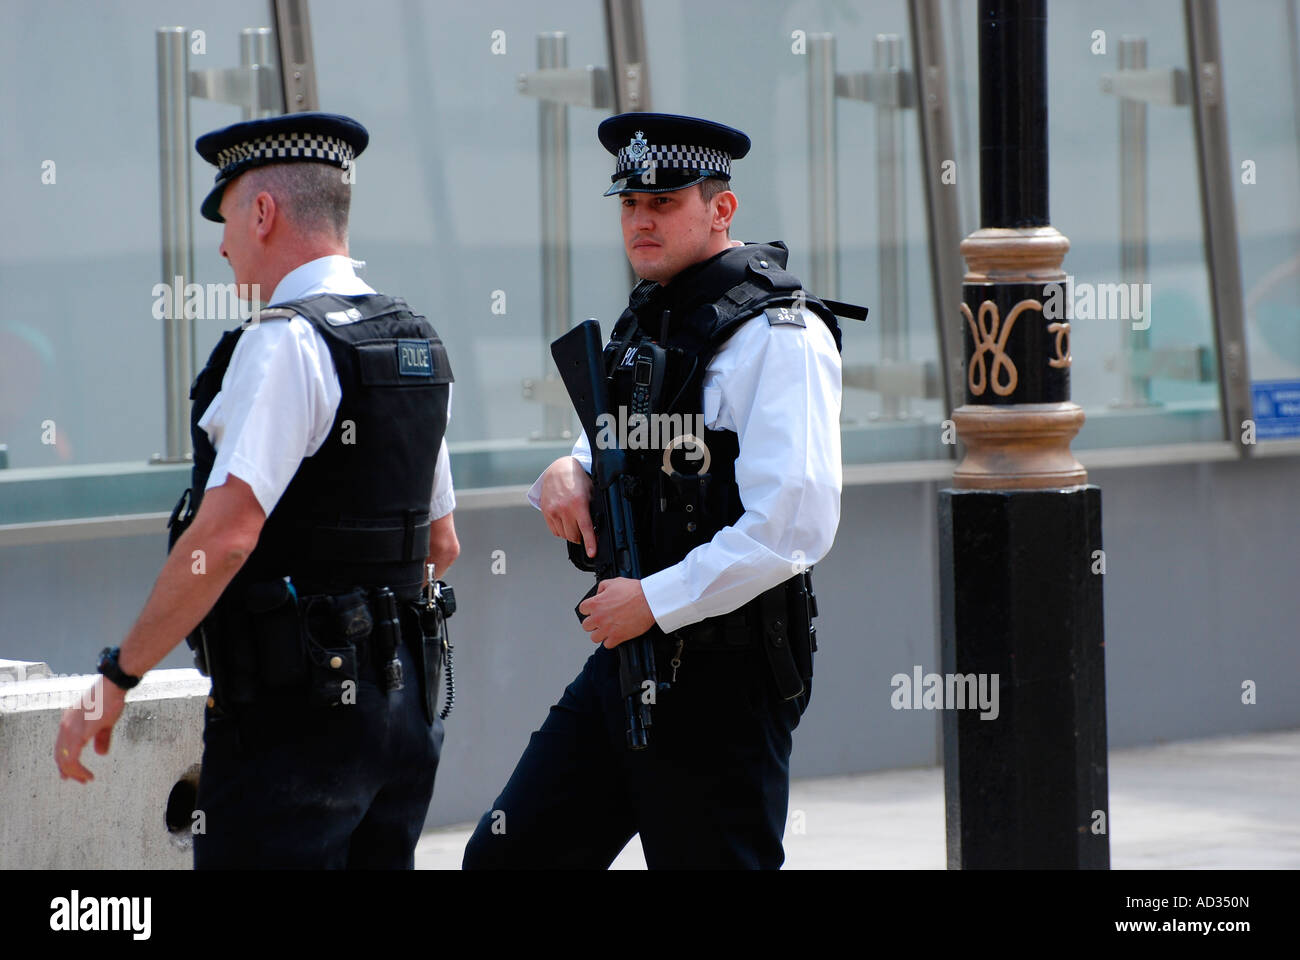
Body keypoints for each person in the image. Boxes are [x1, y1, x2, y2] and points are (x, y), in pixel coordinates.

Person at [54, 112, 460, 869]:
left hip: (293, 724)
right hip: (404, 713)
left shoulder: (284, 341)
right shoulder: (414, 342)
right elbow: (442, 544)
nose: (223, 243)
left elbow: (226, 538)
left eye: (230, 214)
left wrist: (117, 678)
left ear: (266, 212)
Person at [463, 113, 846, 869]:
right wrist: (564, 470)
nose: (641, 220)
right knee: (507, 858)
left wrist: (654, 600)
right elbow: (614, 442)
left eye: (664, 203)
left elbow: (793, 526)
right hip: (627, 660)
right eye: (631, 204)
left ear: (721, 208)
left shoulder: (781, 335)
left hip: (722, 678)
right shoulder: (654, 312)